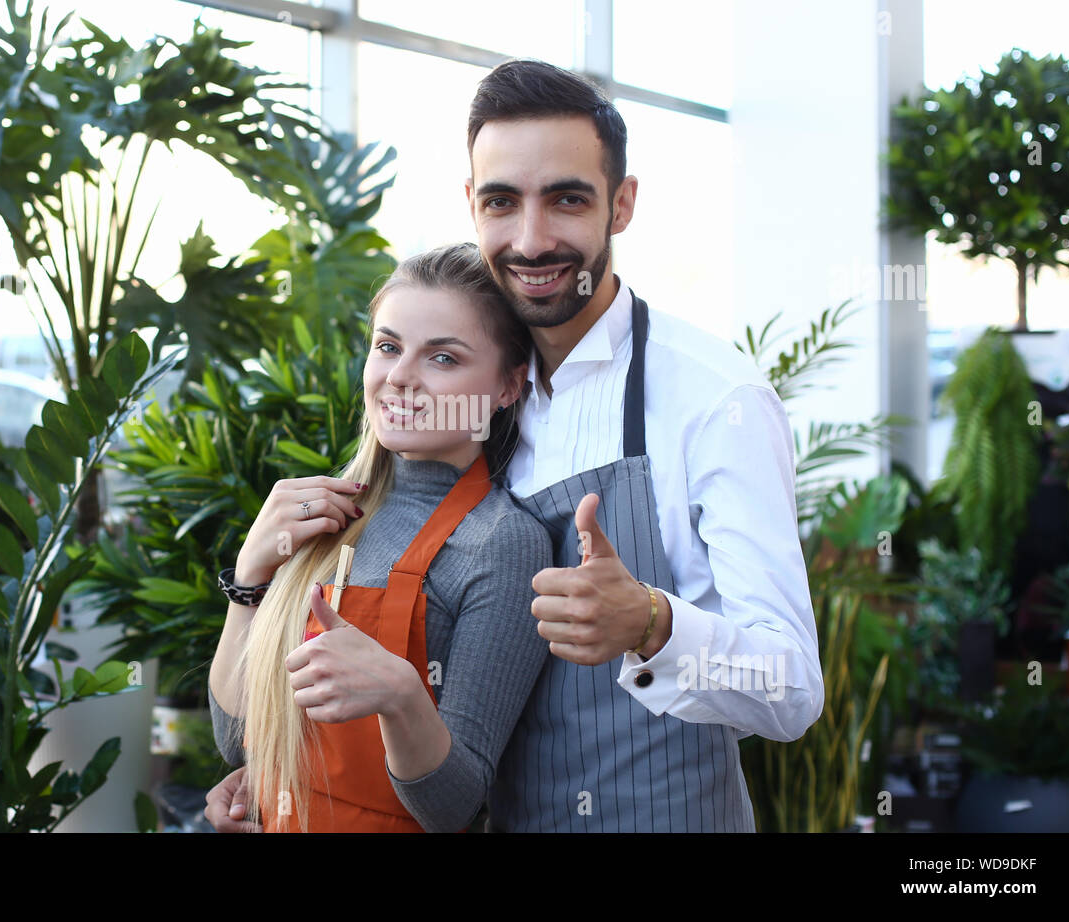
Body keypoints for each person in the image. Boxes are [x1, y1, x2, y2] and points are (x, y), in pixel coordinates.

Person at [464, 59, 825, 831]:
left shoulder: (717, 399)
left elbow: (793, 691)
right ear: (472, 206)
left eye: (567, 199)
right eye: (503, 202)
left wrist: (654, 624)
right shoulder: (475, 398)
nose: (531, 240)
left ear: (621, 205)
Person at [205, 242, 552, 833]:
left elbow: (452, 807)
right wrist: (249, 578)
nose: (399, 378)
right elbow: (237, 740)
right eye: (388, 347)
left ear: (508, 385)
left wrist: (401, 694)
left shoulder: (502, 542)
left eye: (443, 358)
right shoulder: (323, 515)